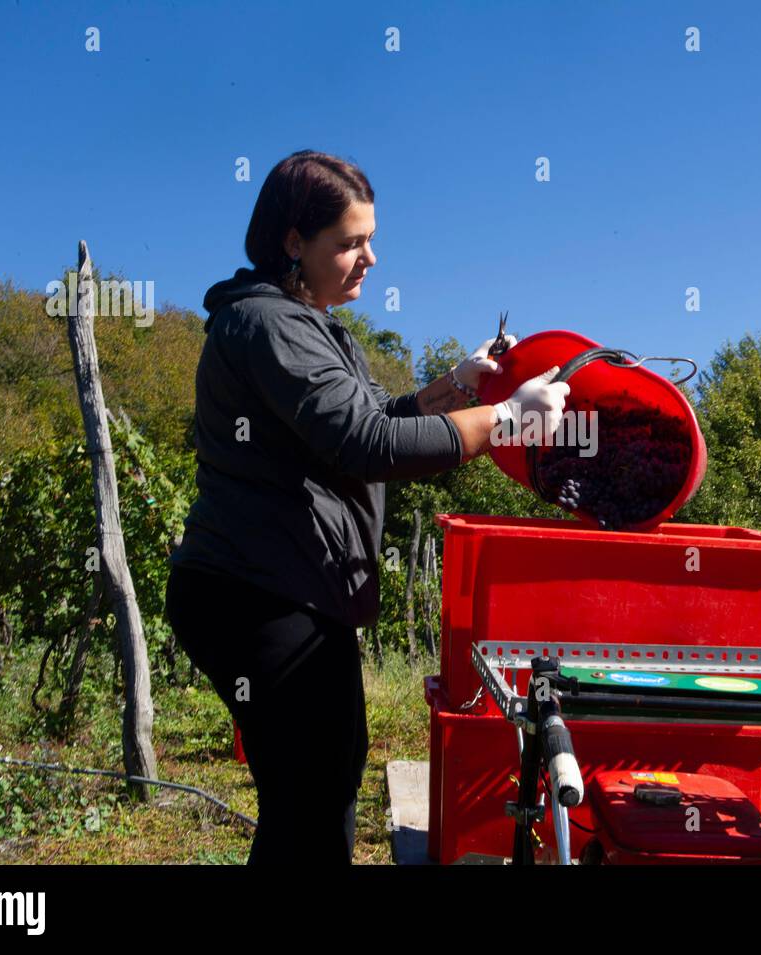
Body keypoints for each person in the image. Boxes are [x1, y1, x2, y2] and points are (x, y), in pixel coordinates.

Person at [164, 150, 569, 864]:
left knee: (318, 789)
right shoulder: (271, 326)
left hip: (281, 590)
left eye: (371, 239)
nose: (370, 259)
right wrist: (506, 418)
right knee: (312, 803)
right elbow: (367, 443)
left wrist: (455, 384)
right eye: (350, 243)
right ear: (294, 242)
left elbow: (375, 416)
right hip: (255, 594)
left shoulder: (307, 324)